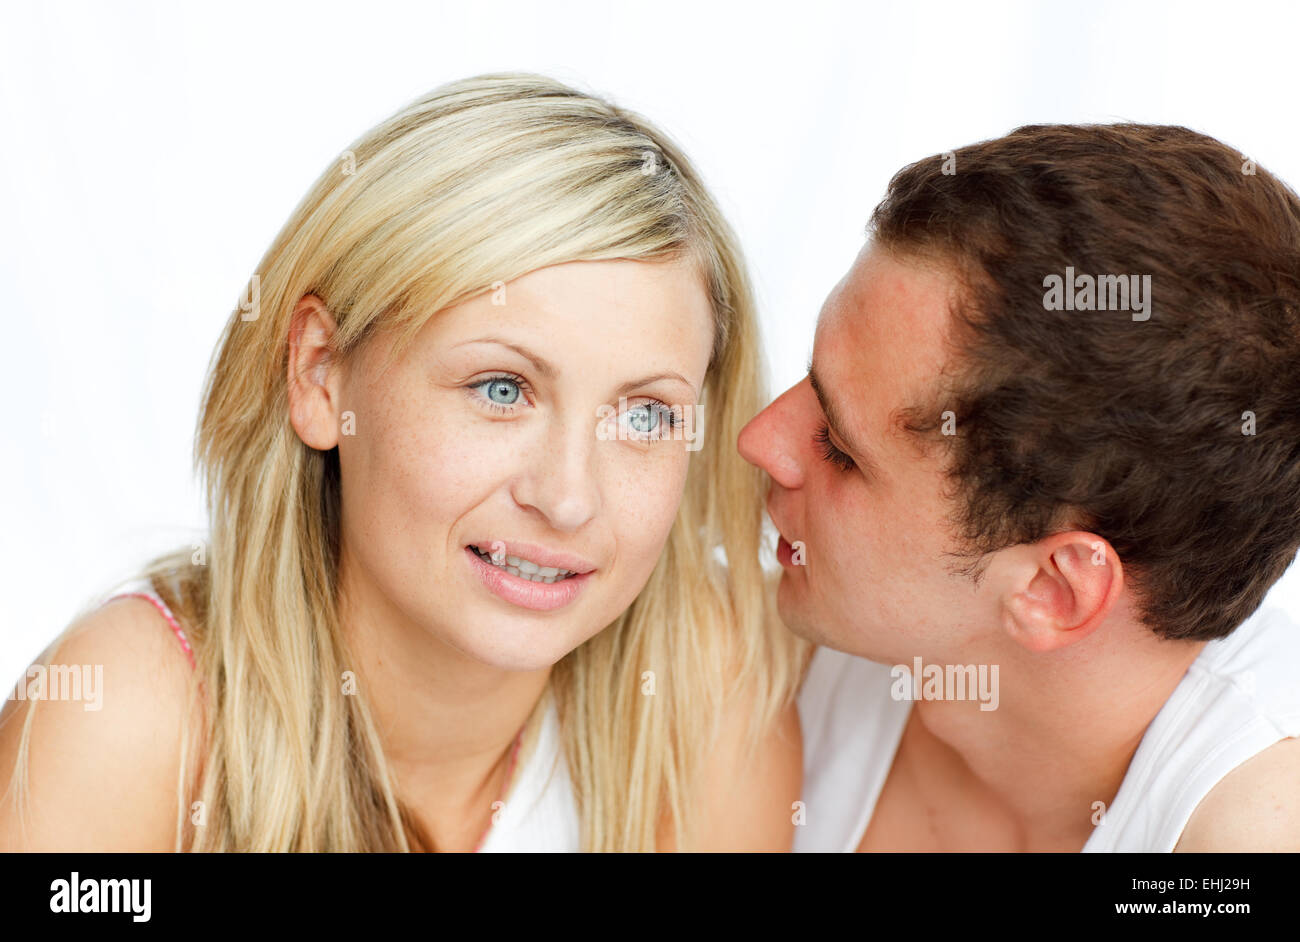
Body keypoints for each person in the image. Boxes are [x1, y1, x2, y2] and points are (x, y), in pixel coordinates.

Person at [0, 73, 806, 852]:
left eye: (643, 415)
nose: (567, 498)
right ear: (319, 372)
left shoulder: (702, 698)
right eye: (501, 388)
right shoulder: (130, 717)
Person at [740, 123, 1300, 852]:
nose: (758, 440)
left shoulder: (1246, 837)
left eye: (840, 450)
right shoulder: (756, 653)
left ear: (1053, 590)